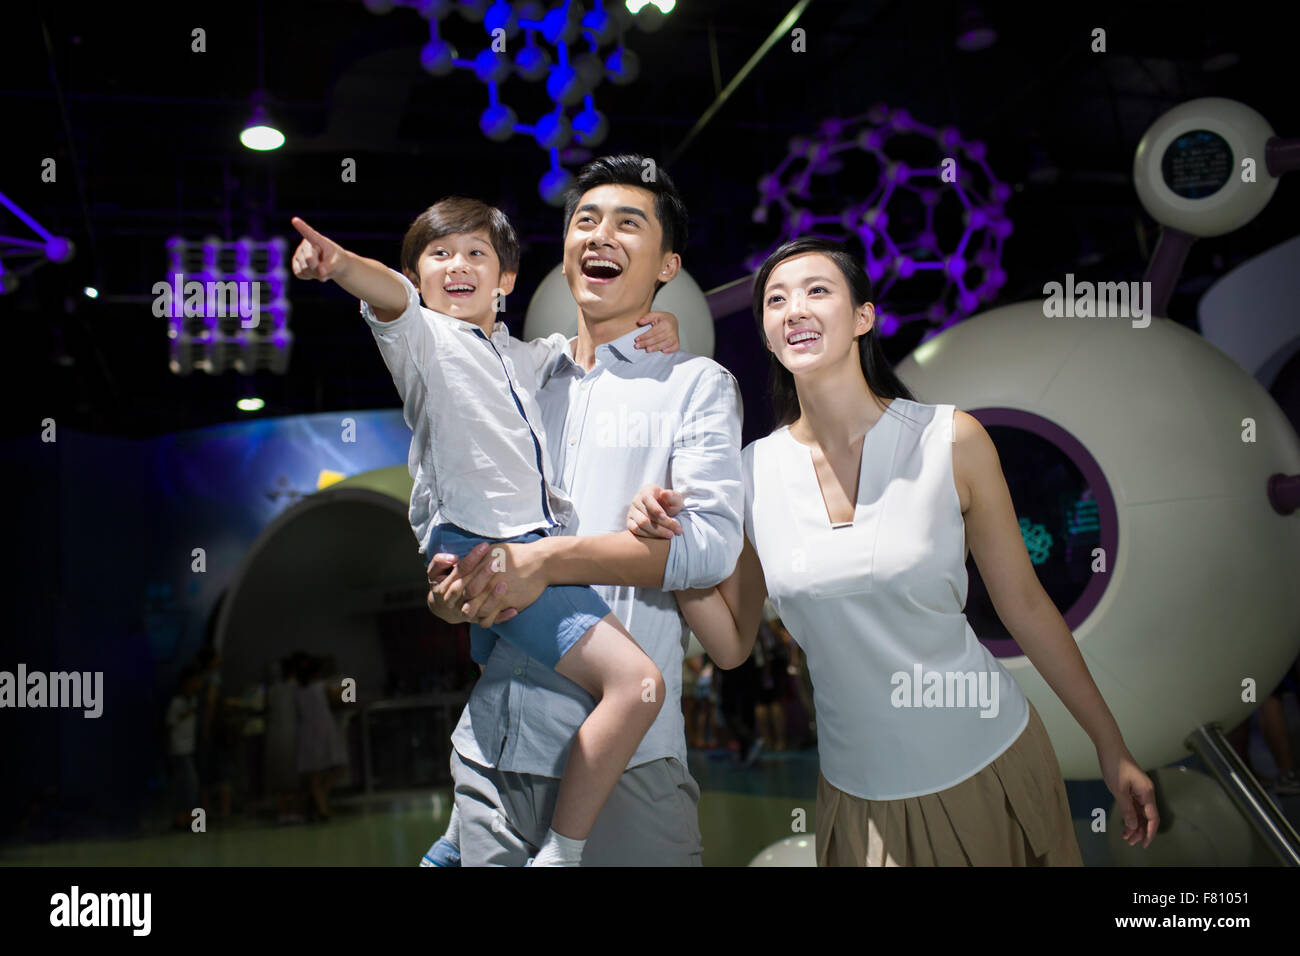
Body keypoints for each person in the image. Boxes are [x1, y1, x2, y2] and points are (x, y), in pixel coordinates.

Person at [626, 236, 1160, 866]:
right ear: (768, 336)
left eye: (816, 291)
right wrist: (676, 550)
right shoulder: (751, 475)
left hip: (985, 763)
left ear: (863, 317)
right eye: (776, 300)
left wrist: (1111, 746)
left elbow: (1026, 607)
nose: (794, 309)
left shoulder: (951, 440)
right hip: (857, 795)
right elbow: (731, 643)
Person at [290, 196, 681, 865]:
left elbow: (589, 344)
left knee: (530, 701)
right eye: (439, 254)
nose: (458, 264)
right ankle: (561, 851)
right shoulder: (422, 339)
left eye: (477, 253)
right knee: (637, 685)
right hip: (489, 548)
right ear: (418, 277)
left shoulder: (522, 355)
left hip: (523, 548)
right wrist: (342, 265)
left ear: (505, 281)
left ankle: (451, 849)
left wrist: (661, 323)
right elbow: (388, 295)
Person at [423, 154, 745, 866]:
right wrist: (454, 597)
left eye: (629, 224)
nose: (599, 235)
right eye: (584, 221)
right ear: (565, 255)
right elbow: (466, 544)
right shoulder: (516, 378)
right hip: (492, 757)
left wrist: (544, 560)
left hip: (629, 771)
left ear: (667, 265)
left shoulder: (694, 386)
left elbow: (709, 549)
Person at [165, 667, 202, 830]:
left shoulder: (193, 701)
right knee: (188, 785)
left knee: (186, 786)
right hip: (179, 750)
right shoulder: (177, 703)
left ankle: (185, 820)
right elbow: (169, 724)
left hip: (189, 749)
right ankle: (189, 821)